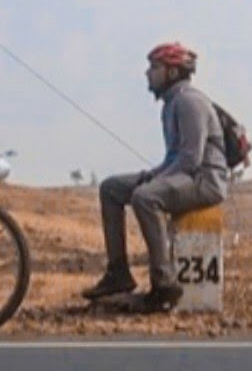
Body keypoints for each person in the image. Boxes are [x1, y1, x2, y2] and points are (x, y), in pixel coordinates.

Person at [81, 41, 229, 312]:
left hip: (205, 181)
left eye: (155, 67)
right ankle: (118, 274)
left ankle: (164, 284)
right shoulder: (171, 103)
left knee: (145, 197)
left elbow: (190, 160)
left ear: (172, 72)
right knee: (111, 188)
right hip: (184, 173)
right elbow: (175, 160)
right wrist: (155, 175)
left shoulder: (189, 101)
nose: (148, 73)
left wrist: (154, 181)